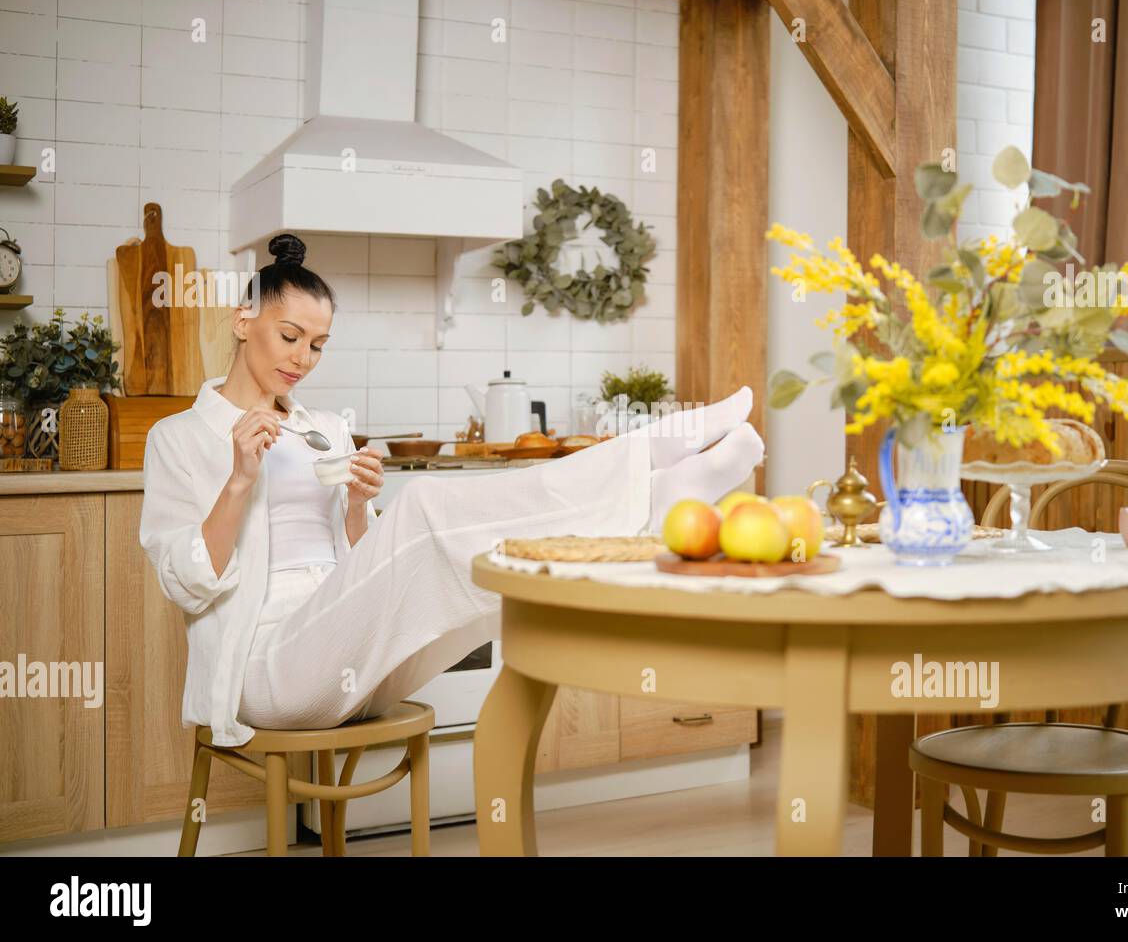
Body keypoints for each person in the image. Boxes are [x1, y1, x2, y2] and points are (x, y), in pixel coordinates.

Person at [139, 233, 765, 748]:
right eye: (291, 336)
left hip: (350, 657)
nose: (304, 358)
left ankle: (646, 490)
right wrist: (239, 481)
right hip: (264, 672)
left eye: (320, 344)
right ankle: (648, 476)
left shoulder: (323, 430)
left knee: (484, 586)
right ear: (243, 321)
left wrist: (358, 508)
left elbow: (361, 568)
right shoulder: (180, 438)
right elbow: (186, 585)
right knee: (425, 513)